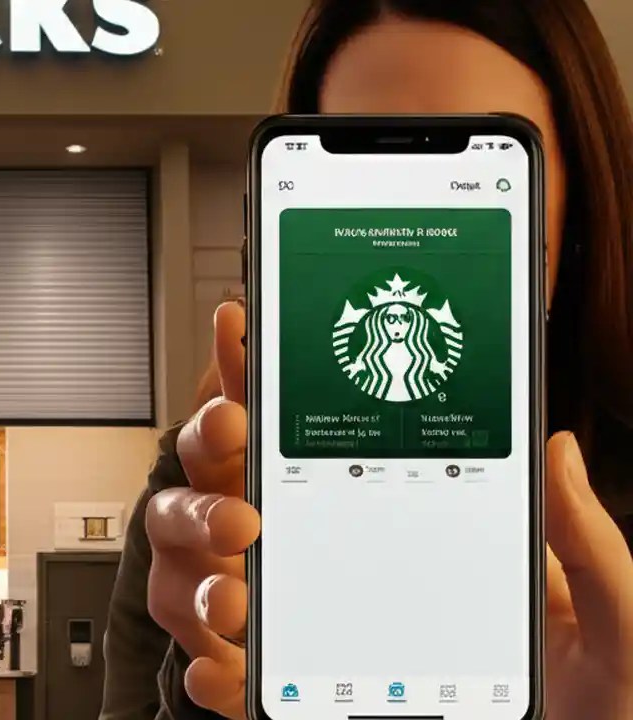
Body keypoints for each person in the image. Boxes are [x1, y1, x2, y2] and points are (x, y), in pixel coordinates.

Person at [100, 1, 633, 718]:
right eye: (371, 171)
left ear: (577, 195)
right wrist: (206, 694)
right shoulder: (205, 490)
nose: (420, 227)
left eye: (477, 158)